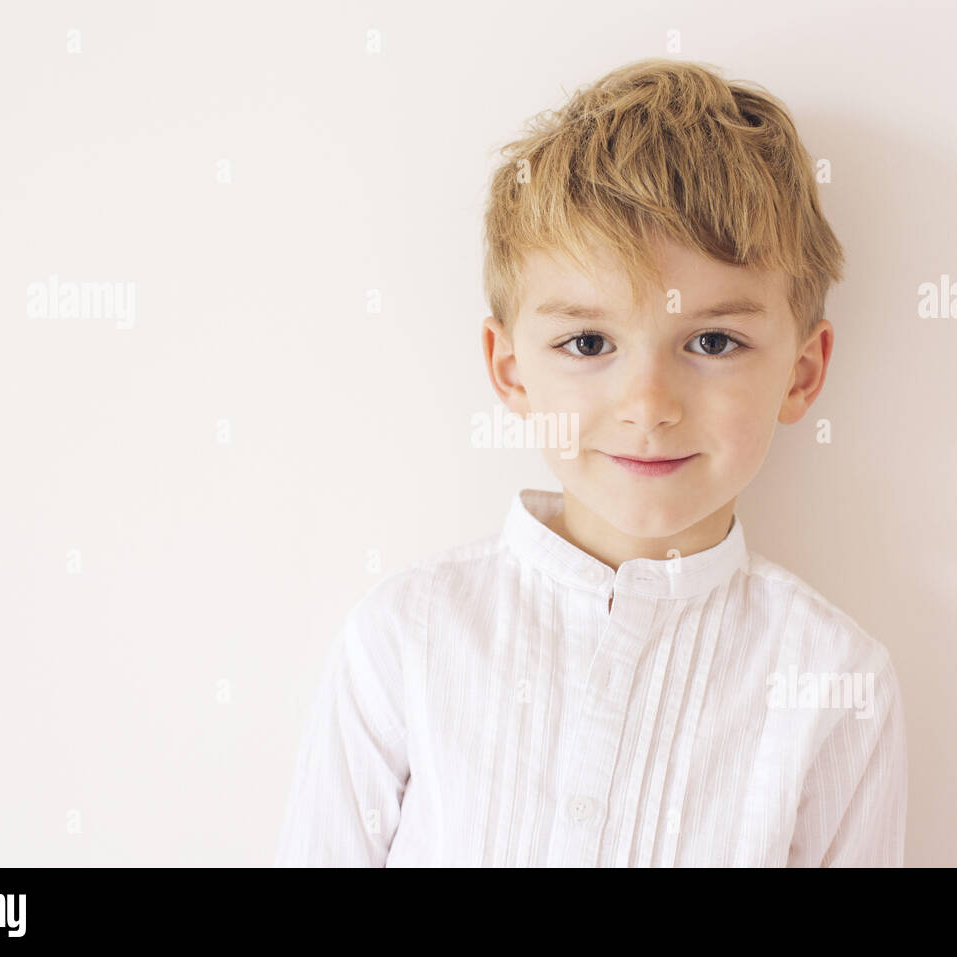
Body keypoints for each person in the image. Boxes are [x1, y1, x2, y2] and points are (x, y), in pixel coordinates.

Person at [276, 58, 907, 867]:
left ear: (803, 371)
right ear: (510, 369)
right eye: (588, 342)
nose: (648, 403)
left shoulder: (836, 683)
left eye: (713, 342)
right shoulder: (406, 638)